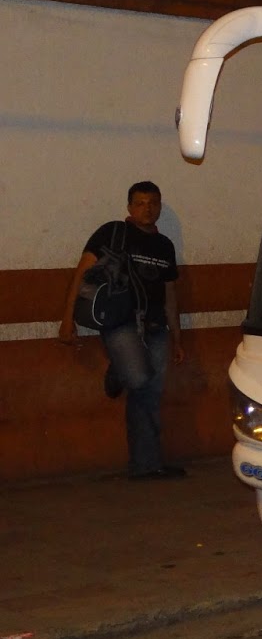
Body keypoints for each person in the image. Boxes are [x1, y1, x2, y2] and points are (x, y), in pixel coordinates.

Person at [59, 181, 187, 480]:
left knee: (148, 395)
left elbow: (170, 295)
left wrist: (177, 337)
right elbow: (81, 274)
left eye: (153, 203)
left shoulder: (165, 246)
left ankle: (147, 464)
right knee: (139, 379)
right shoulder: (112, 233)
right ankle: (119, 368)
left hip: (156, 326)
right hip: (120, 322)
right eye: (141, 203)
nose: (148, 209)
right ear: (129, 207)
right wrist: (67, 320)